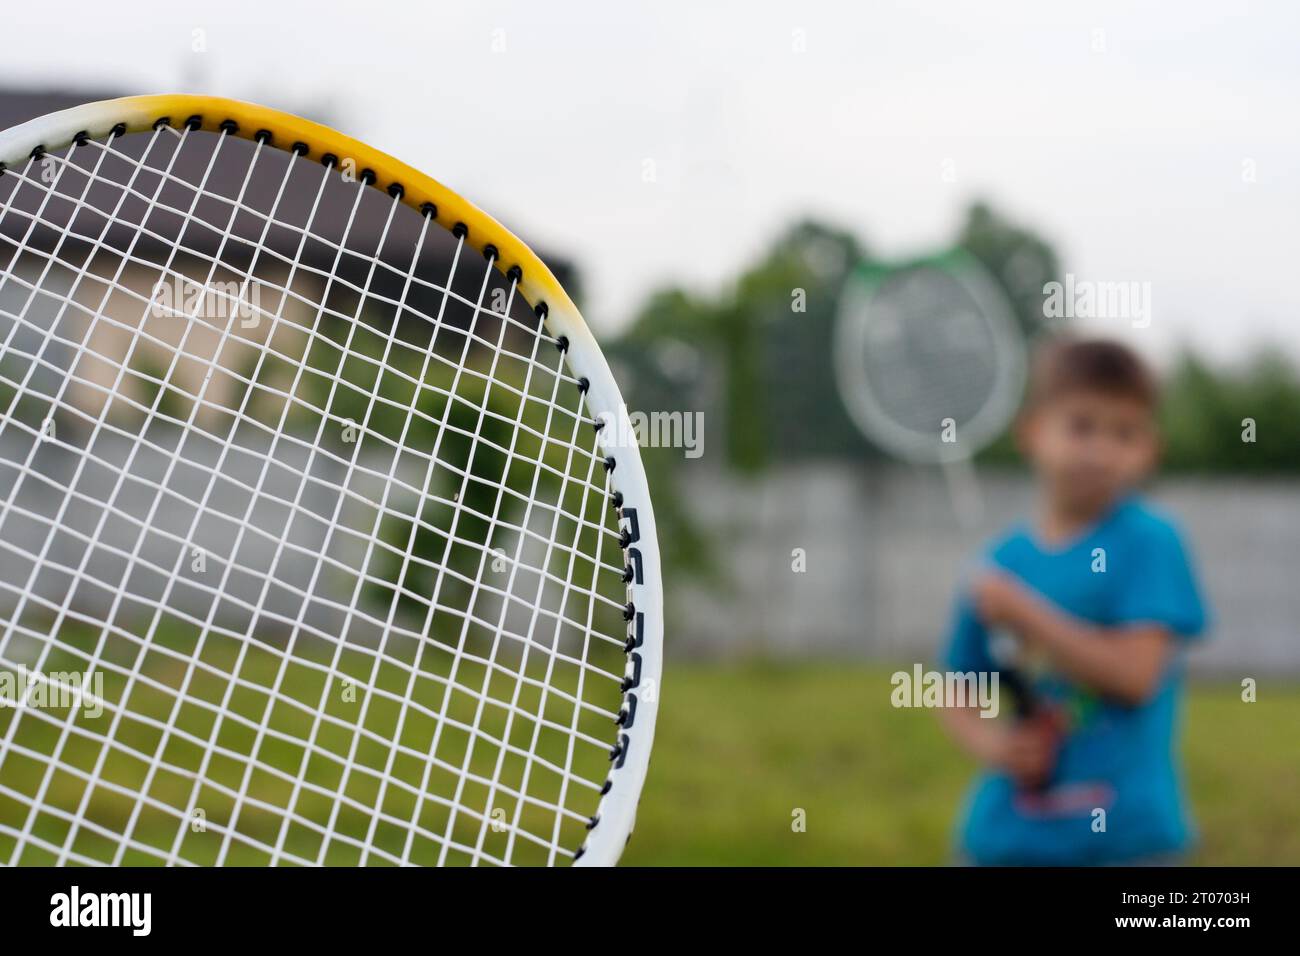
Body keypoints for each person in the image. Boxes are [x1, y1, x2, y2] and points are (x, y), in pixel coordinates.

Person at [940, 337, 1209, 865]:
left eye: (1125, 433)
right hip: (1006, 841)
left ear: (1149, 449)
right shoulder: (999, 565)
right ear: (1034, 433)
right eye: (1082, 426)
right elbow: (956, 685)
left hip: (1126, 841)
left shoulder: (1149, 543)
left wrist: (1024, 614)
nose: (1103, 451)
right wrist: (992, 745)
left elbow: (1135, 678)